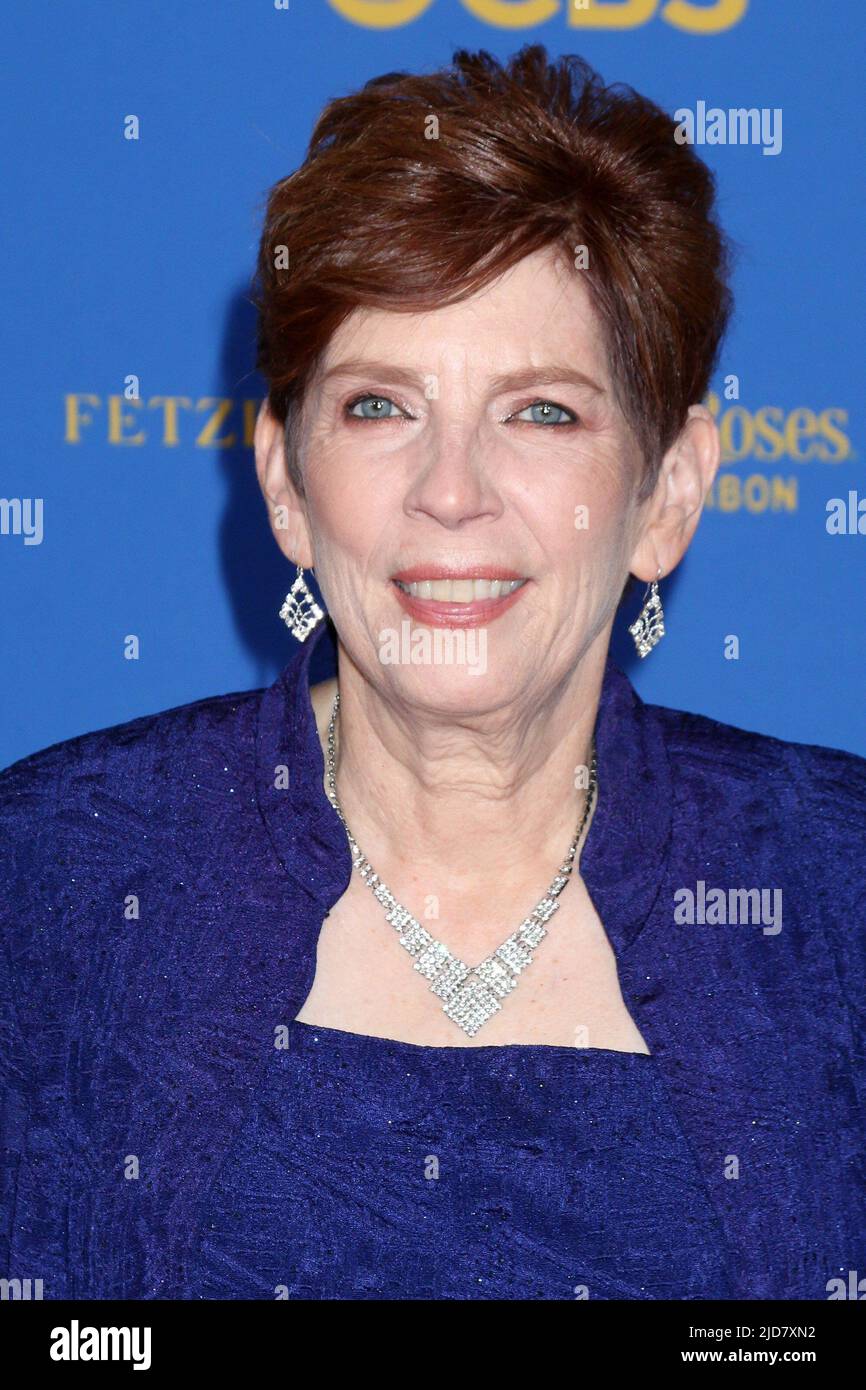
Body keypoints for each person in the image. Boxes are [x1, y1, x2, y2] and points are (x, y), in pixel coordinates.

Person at [1, 45, 863, 1301]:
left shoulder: (834, 887)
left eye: (541, 412)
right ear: (285, 484)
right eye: (377, 407)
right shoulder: (50, 880)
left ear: (667, 493)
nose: (449, 492)